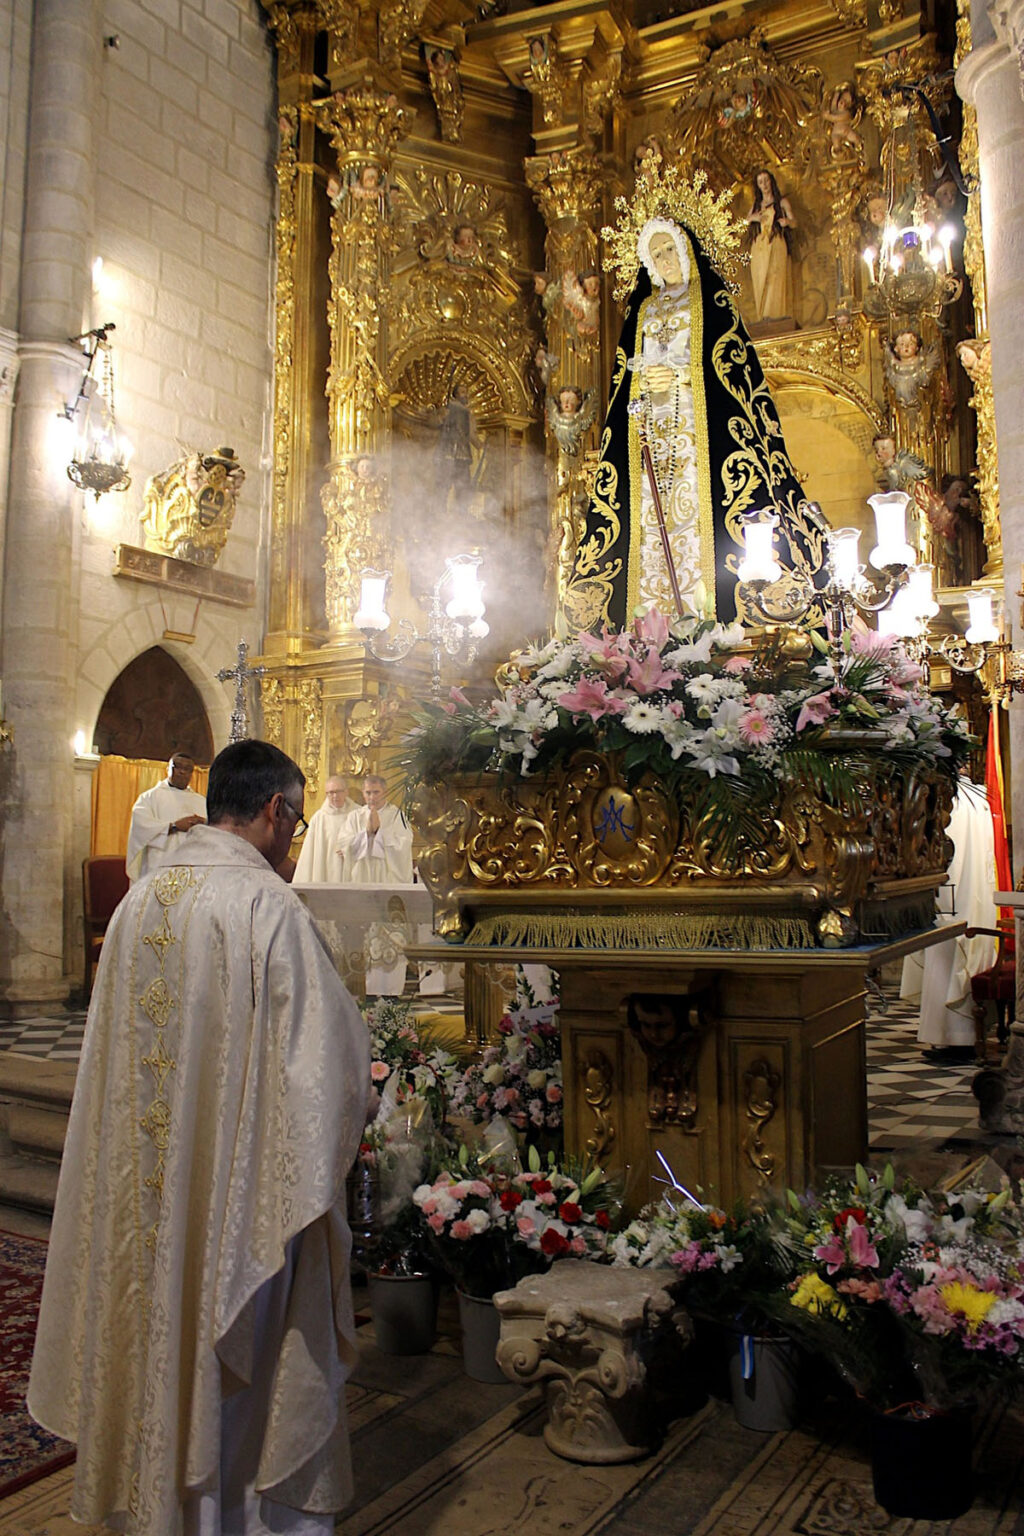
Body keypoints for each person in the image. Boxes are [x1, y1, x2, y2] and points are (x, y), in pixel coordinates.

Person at [28, 739, 371, 1534]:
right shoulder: (267, 908)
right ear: (275, 812)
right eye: (295, 818)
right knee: (237, 1371)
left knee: (151, 1340)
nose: (293, 839)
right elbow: (322, 1070)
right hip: (234, 1209)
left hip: (141, 1203)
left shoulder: (139, 903)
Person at [564, 212, 818, 630]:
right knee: (647, 519)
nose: (664, 260)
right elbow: (625, 375)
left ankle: (716, 621)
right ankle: (647, 623)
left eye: (670, 249)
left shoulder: (714, 303)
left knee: (700, 517)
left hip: (698, 435)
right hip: (649, 432)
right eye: (656, 253)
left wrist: (680, 375)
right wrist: (645, 382)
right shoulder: (641, 312)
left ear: (687, 250)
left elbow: (731, 375)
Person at [900, 776, 997, 1057]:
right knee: (952, 964)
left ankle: (950, 1039)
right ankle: (956, 1037)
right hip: (973, 892)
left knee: (944, 966)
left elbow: (942, 846)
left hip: (950, 894)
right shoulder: (979, 797)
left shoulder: (949, 798)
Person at [125, 750, 207, 882]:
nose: (182, 772)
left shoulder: (201, 802)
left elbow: (214, 830)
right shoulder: (149, 798)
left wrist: (204, 823)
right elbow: (141, 828)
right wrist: (174, 826)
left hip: (193, 866)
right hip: (160, 865)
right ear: (167, 769)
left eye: (187, 769)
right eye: (177, 767)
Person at [337, 773, 414, 886]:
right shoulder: (355, 816)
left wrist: (379, 832)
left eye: (376, 792)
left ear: (385, 792)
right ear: (363, 793)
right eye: (368, 793)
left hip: (386, 875)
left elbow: (404, 843)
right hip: (361, 873)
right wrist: (366, 834)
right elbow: (344, 842)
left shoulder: (397, 815)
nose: (372, 797)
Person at [746, 168, 796, 322]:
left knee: (776, 277)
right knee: (761, 279)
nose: (764, 185)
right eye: (761, 182)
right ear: (758, 186)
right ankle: (762, 315)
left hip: (776, 243)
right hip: (759, 247)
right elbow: (744, 222)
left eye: (766, 180)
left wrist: (786, 222)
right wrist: (753, 218)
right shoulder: (756, 206)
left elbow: (794, 222)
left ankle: (775, 314)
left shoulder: (782, 202)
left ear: (771, 181)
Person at [294, 774, 356, 883]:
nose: (335, 796)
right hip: (326, 873)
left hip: (352, 872)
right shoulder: (319, 819)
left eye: (338, 791)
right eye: (331, 793)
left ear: (346, 792)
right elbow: (309, 855)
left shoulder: (358, 814)